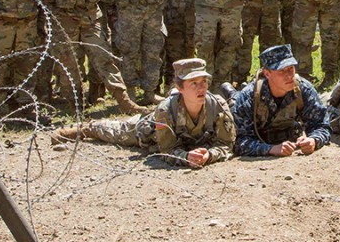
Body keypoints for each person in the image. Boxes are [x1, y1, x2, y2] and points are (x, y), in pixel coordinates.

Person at [52, 58, 235, 167]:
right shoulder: (165, 110)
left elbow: (227, 145)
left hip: (190, 142)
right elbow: (167, 150)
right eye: (193, 83)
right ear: (179, 88)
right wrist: (185, 158)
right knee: (118, 131)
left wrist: (209, 156)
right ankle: (86, 129)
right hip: (149, 132)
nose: (200, 88)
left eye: (203, 82)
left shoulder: (217, 105)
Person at [231, 44, 331, 157]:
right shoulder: (249, 96)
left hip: (289, 135)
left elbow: (322, 125)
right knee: (233, 103)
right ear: (267, 74)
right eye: (282, 71)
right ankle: (232, 95)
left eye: (291, 69)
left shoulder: (303, 89)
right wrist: (270, 149)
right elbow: (238, 142)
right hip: (261, 139)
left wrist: (313, 140)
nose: (289, 76)